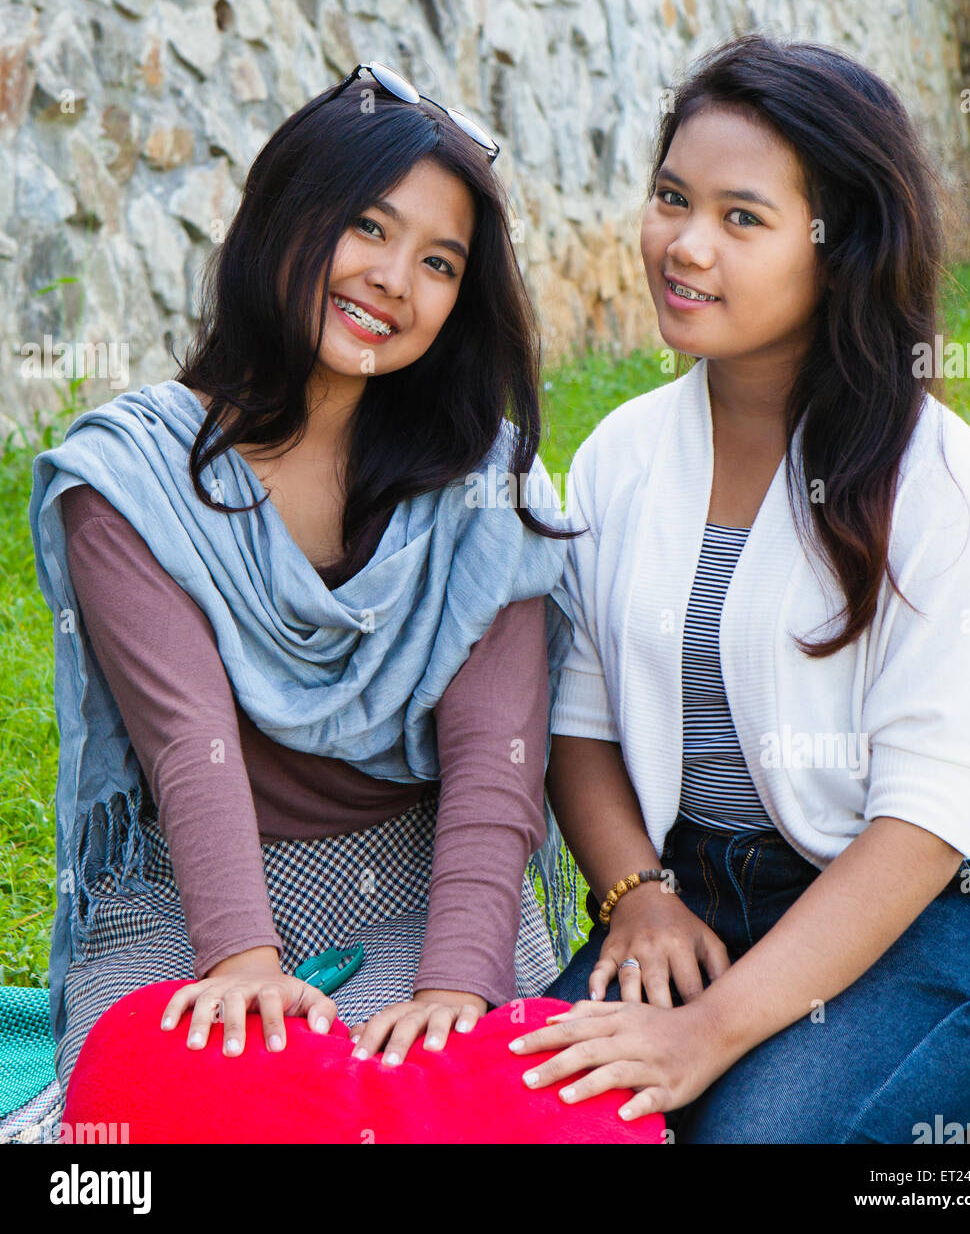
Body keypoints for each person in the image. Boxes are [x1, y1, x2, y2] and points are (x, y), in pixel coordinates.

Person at [513, 33, 970, 1143]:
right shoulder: (619, 457)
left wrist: (703, 1037)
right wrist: (638, 896)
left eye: (740, 218)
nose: (683, 244)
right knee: (514, 1125)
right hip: (698, 896)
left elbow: (921, 825)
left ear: (836, 247)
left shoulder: (934, 483)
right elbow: (580, 725)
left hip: (931, 914)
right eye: (671, 198)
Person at [29, 62, 577, 1104]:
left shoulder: (485, 484)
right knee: (176, 1095)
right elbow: (189, 742)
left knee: (522, 1102)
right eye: (368, 227)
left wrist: (458, 986)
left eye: (440, 263)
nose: (393, 280)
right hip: (196, 898)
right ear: (286, 214)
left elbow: (492, 760)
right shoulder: (129, 476)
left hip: (432, 892)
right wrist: (241, 962)